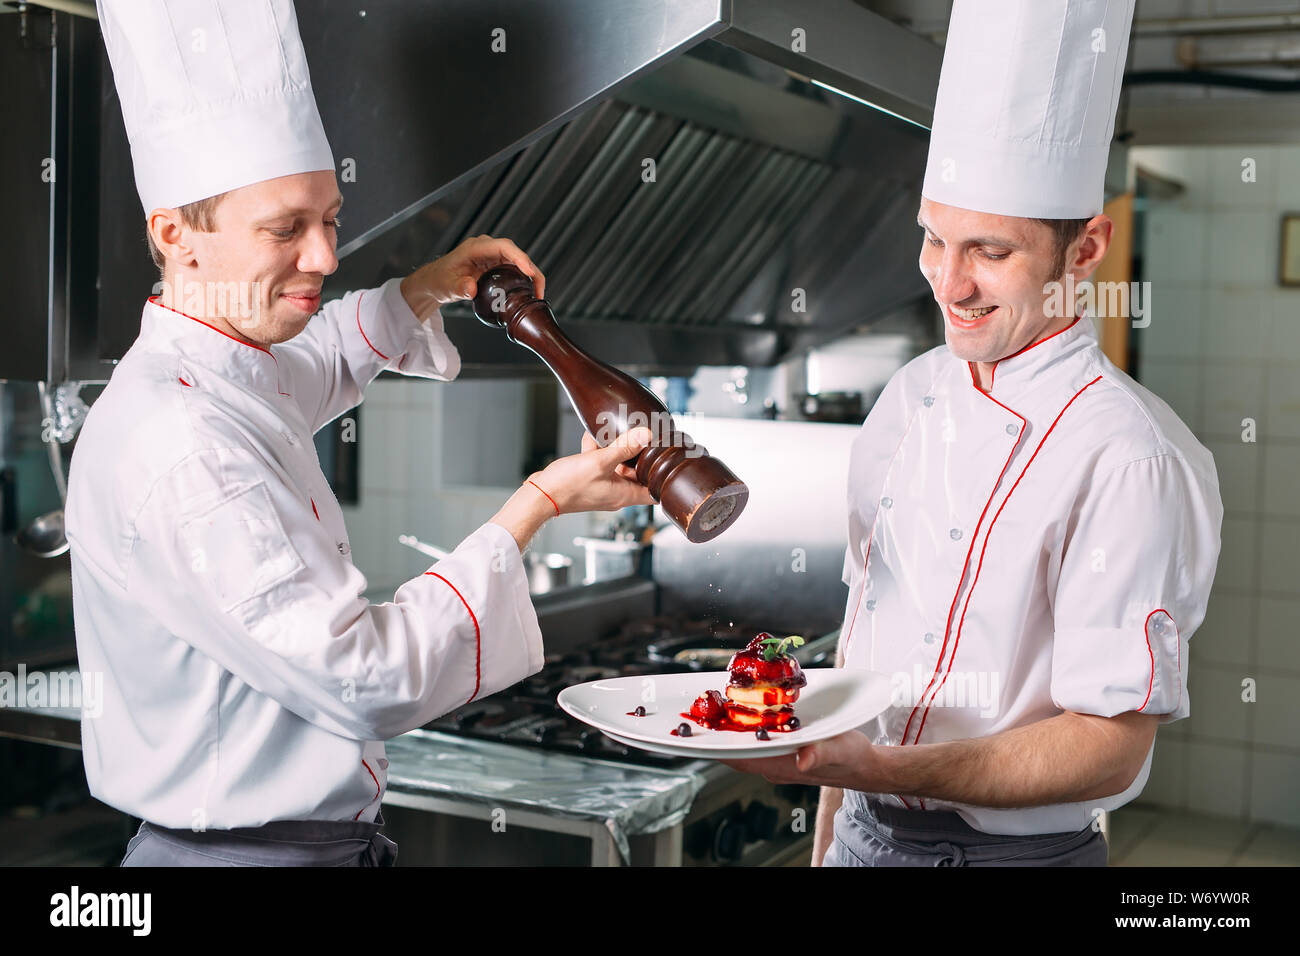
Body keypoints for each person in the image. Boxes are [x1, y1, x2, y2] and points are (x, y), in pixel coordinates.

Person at [67, 0, 651, 866]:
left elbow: (319, 363)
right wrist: (538, 504)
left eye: (330, 218)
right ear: (175, 236)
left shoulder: (227, 367)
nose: (326, 257)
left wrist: (428, 286)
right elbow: (365, 676)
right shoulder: (182, 444)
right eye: (285, 230)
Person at [724, 0, 1222, 866]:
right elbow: (864, 630)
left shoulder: (1130, 456)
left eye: (990, 251)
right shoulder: (909, 398)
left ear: (1086, 248)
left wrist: (889, 764)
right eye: (932, 239)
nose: (947, 284)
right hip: (861, 842)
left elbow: (1111, 741)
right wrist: (834, 830)